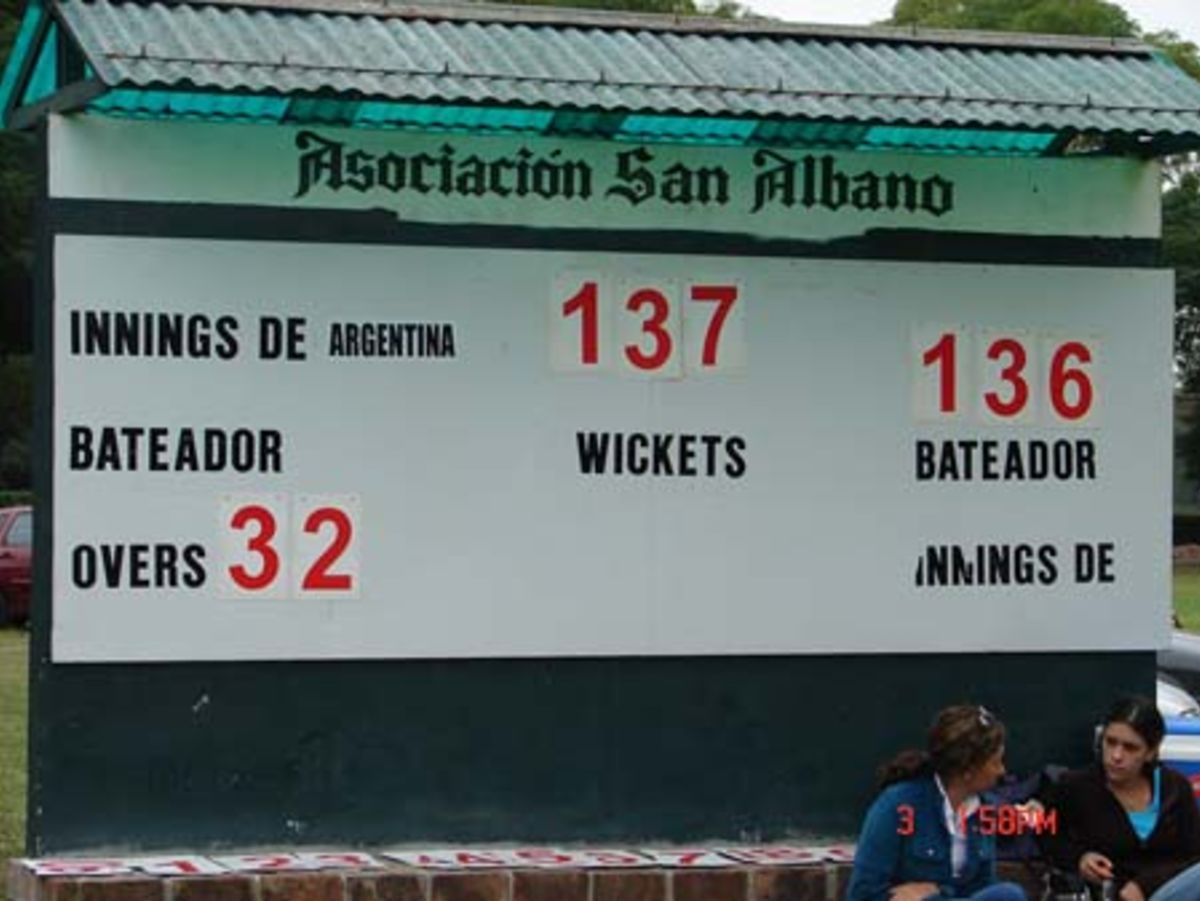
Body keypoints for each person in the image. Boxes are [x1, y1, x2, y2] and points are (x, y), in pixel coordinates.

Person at [847, 704, 1028, 901]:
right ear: (968, 770)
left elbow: (981, 889)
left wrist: (938, 893)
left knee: (1009, 895)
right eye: (995, 762)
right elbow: (862, 894)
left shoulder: (984, 812)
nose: (1002, 771)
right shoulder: (898, 805)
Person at [1041, 696, 1200, 901]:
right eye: (1111, 742)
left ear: (1150, 752)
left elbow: (1193, 857)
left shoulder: (1175, 788)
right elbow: (1048, 833)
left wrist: (1145, 885)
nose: (1116, 756)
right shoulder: (1077, 786)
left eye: (1130, 748)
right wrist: (1080, 859)